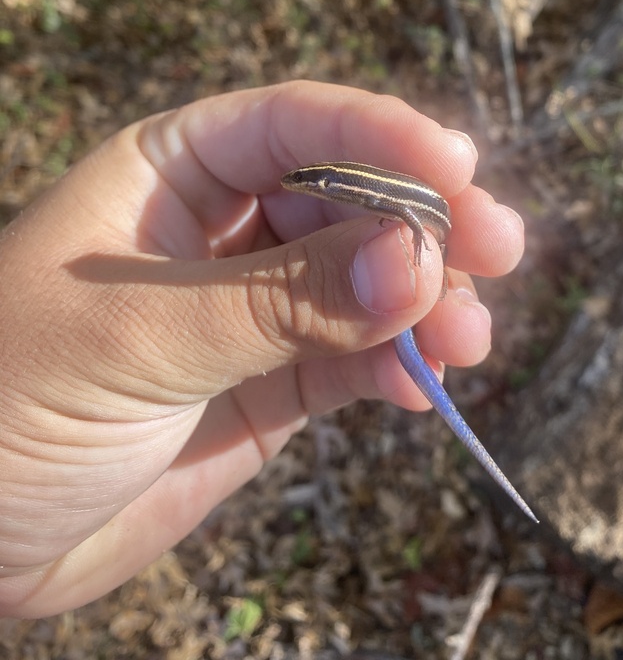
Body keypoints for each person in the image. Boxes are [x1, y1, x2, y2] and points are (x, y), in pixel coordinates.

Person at [0, 81, 525, 619]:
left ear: (327, 183)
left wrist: (410, 247)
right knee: (409, 327)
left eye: (309, 184)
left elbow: (415, 216)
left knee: (415, 315)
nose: (301, 188)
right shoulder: (357, 190)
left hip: (428, 220)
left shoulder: (368, 191)